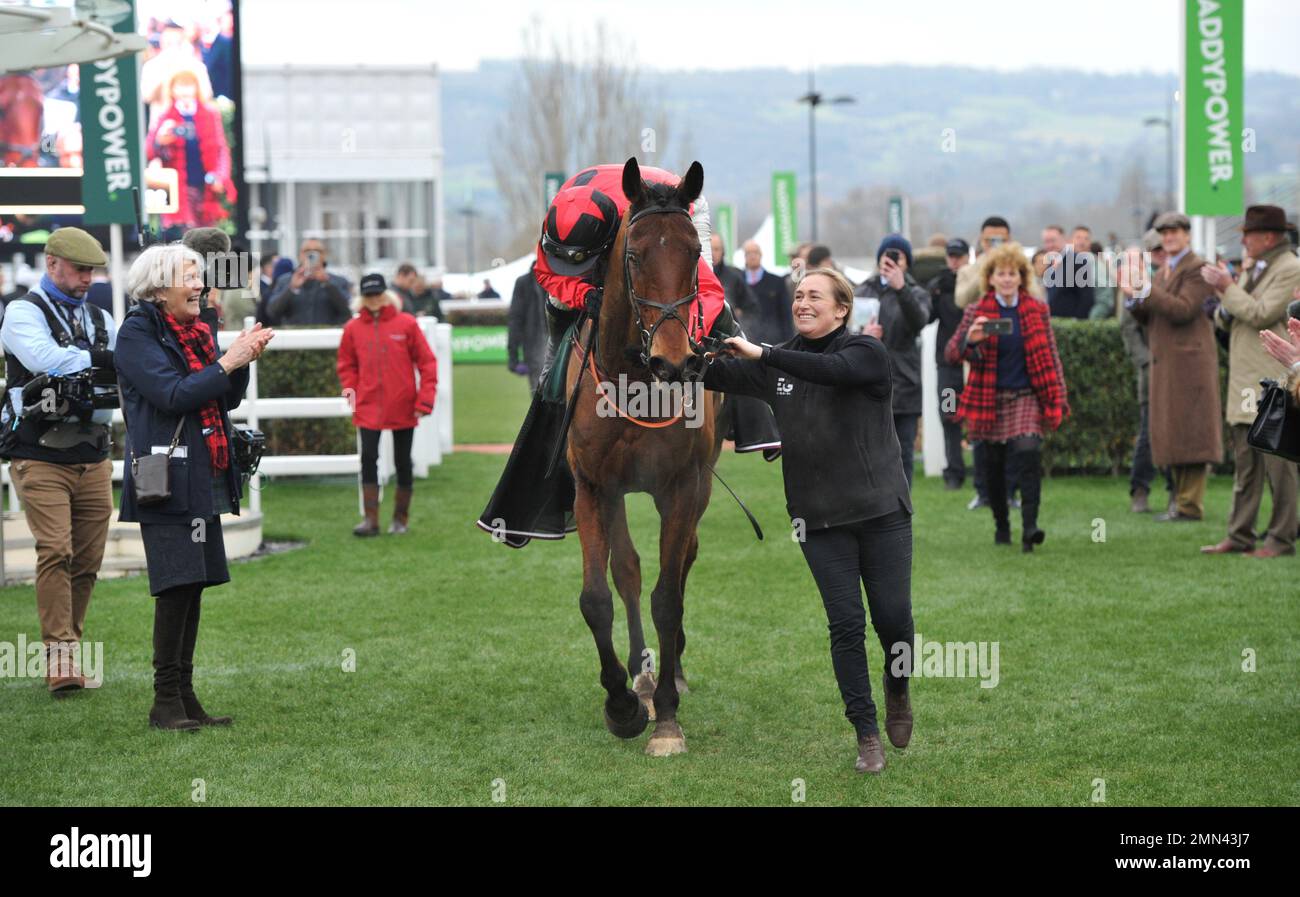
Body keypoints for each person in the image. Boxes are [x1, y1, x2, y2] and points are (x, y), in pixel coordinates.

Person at [701, 266, 914, 774]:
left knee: (893, 620)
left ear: (842, 309)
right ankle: (866, 733)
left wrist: (764, 353)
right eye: (798, 295)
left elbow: (831, 371)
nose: (802, 302)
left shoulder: (867, 353)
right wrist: (668, 349)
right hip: (817, 521)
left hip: (882, 513)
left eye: (814, 295)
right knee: (845, 625)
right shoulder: (776, 364)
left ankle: (898, 688)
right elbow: (704, 371)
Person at [116, 243, 274, 730]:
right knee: (175, 585)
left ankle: (184, 697)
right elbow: (172, 395)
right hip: (163, 479)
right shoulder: (136, 332)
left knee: (194, 586)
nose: (201, 285)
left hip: (200, 473)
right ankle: (165, 701)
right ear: (159, 287)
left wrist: (241, 359)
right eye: (190, 276)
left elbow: (222, 397)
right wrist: (228, 361)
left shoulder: (197, 330)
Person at [0, 227, 117, 693]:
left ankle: (70, 647)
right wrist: (97, 359)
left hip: (94, 452)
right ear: (52, 265)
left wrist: (88, 359)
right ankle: (61, 660)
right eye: (80, 269)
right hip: (38, 452)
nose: (88, 278)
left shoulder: (101, 316)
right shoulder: (22, 312)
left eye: (92, 270)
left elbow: (120, 364)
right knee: (56, 551)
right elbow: (46, 359)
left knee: (87, 560)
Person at [945, 242, 1069, 551]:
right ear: (990, 278)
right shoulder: (977, 311)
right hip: (989, 398)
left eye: (1012, 274)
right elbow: (952, 353)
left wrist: (1058, 396)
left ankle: (1030, 528)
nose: (1007, 279)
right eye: (1001, 274)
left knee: (1027, 454)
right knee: (993, 468)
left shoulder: (1037, 309)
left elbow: (1052, 356)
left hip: (1026, 396)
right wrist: (971, 341)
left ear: (1021, 277)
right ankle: (1002, 524)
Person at [1198, 204, 1300, 557]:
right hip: (1245, 381)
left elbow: (1261, 314)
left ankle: (1281, 538)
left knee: (1279, 467)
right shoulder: (1255, 268)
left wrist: (1227, 288)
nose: (1242, 240)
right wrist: (1227, 299)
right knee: (1246, 464)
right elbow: (1230, 316)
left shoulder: (1290, 268)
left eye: (1248, 234)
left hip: (1275, 381)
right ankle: (1240, 534)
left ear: (1268, 237)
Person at [1120, 212, 1223, 522]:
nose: (1169, 238)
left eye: (1174, 232)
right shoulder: (1166, 270)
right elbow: (1153, 316)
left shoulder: (1197, 269)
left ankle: (1190, 505)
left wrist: (1146, 290)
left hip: (1189, 363)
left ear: (1187, 235)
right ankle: (1180, 502)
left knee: (1191, 433)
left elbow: (1182, 309)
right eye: (1164, 234)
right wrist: (1134, 298)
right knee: (1174, 433)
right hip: (1169, 363)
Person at [337, 273, 437, 536]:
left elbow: (427, 363)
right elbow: (346, 366)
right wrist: (352, 394)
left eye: (377, 294)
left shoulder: (407, 324)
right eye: (369, 296)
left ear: (386, 293)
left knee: (403, 461)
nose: (374, 300)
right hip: (368, 405)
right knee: (368, 459)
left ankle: (400, 520)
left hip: (403, 403)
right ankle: (371, 520)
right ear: (362, 297)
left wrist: (425, 399)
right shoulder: (353, 328)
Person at [855, 235, 932, 486]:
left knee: (902, 453)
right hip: (866, 382)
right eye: (887, 256)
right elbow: (845, 332)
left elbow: (919, 322)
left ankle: (902, 511)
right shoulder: (864, 289)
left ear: (907, 263)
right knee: (868, 452)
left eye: (898, 257)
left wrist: (901, 289)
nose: (891, 261)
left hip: (904, 382)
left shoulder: (917, 292)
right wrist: (863, 336)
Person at [146, 69, 236, 235]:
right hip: (180, 190)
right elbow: (149, 152)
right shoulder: (165, 117)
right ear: (172, 90)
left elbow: (221, 149)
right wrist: (161, 139)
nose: (185, 91)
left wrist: (220, 176)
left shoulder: (210, 114)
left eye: (189, 86)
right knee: (186, 236)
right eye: (180, 86)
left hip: (206, 187)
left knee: (207, 236)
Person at [1120, 230, 1172, 514]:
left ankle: (1177, 493)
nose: (1161, 255)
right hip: (1152, 371)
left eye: (1164, 250)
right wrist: (1147, 361)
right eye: (1156, 251)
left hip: (1175, 368)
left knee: (1175, 432)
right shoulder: (1136, 282)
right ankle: (1140, 489)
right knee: (1148, 433)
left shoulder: (1177, 279)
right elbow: (1127, 328)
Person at [928, 237, 971, 489]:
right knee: (949, 414)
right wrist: (935, 294)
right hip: (947, 364)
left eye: (959, 256)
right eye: (951, 256)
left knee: (979, 417)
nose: (954, 261)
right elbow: (926, 318)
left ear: (967, 257)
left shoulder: (977, 282)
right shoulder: (939, 284)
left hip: (975, 361)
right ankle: (954, 472)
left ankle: (981, 471)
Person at [955, 216, 1045, 308]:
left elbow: (1038, 298)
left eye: (1001, 240)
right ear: (981, 240)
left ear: (1009, 240)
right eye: (989, 241)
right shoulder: (967, 271)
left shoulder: (1021, 268)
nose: (995, 245)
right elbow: (961, 302)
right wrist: (986, 269)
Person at [266, 238, 352, 326]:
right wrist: (292, 289)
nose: (311, 254)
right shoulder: (285, 280)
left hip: (327, 336)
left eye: (317, 251)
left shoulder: (338, 281)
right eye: (307, 251)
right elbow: (272, 311)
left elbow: (347, 312)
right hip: (294, 337)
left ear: (324, 255)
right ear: (300, 255)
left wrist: (327, 284)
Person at [744, 239, 794, 345]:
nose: (752, 256)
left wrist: (789, 342)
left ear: (761, 255)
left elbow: (785, 313)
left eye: (755, 252)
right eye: (749, 253)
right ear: (744, 256)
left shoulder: (776, 281)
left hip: (772, 341)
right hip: (745, 339)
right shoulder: (738, 281)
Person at [507, 263, 548, 391]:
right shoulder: (524, 283)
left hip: (558, 351)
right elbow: (515, 320)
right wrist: (513, 357)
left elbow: (515, 319)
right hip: (536, 351)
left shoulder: (560, 279)